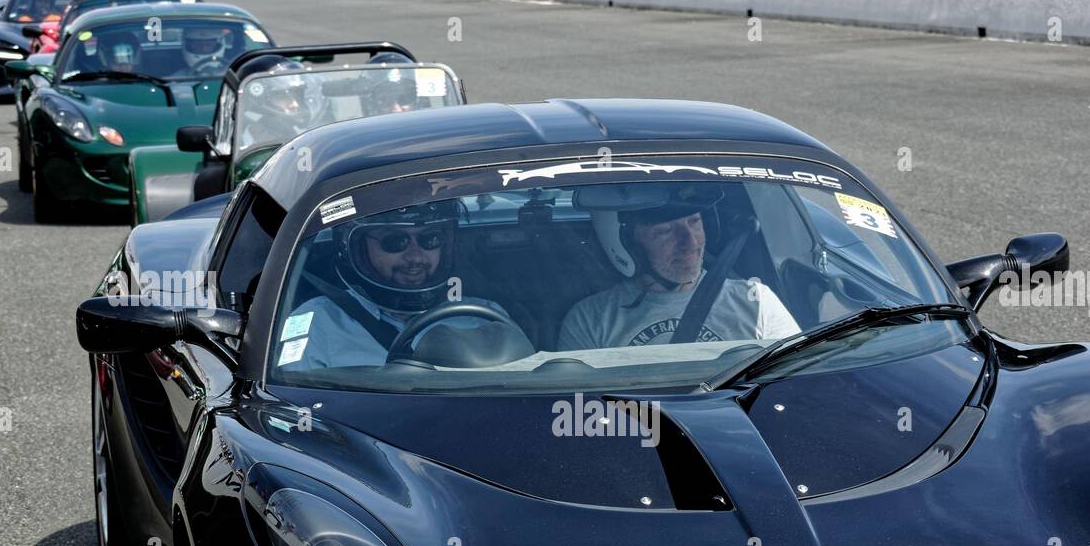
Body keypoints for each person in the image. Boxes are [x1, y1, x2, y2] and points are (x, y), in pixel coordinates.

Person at [279, 200, 518, 370]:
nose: (416, 257)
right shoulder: (314, 324)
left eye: (430, 239)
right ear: (358, 247)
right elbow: (293, 409)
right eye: (395, 242)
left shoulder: (484, 317)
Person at [558, 183, 799, 350]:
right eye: (665, 231)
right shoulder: (590, 320)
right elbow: (583, 413)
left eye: (694, 222)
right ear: (626, 245)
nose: (690, 243)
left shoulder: (757, 303)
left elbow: (793, 385)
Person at [238, 65, 313, 151]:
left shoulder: (306, 133)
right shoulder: (244, 142)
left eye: (295, 95)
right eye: (282, 97)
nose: (295, 104)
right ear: (263, 100)